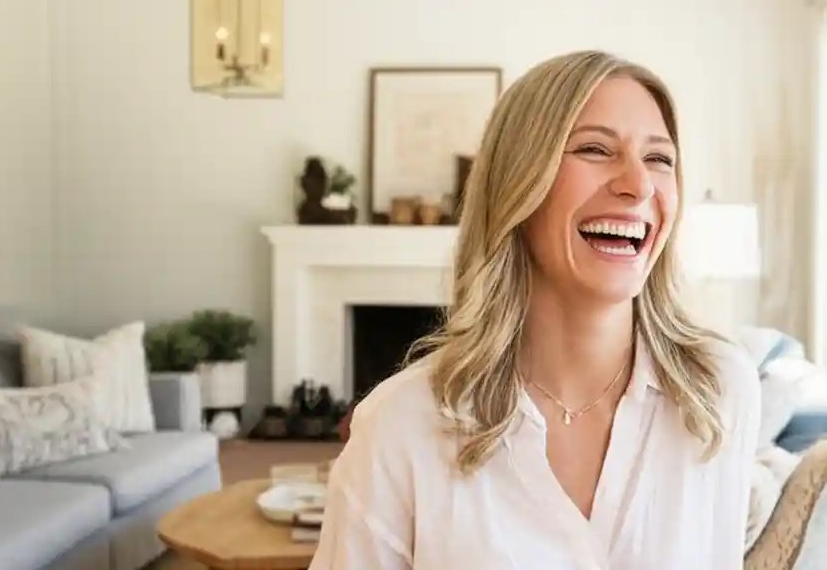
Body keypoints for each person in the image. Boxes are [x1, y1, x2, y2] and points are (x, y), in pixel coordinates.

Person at [310, 50, 761, 569]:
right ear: (517, 185)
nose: (638, 185)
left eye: (660, 159)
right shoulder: (399, 425)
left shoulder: (719, 392)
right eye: (594, 149)